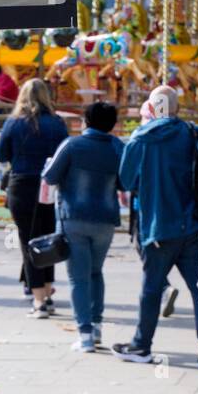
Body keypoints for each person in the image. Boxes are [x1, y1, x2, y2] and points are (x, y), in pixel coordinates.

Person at [111, 86, 198, 369]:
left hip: (158, 226)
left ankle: (142, 345)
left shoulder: (141, 138)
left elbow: (125, 180)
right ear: (176, 107)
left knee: (150, 291)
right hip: (194, 223)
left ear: (152, 107)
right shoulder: (194, 132)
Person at [41, 100, 124, 350]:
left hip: (74, 218)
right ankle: (96, 327)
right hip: (106, 220)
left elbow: (51, 176)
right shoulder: (118, 147)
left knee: (78, 278)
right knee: (96, 272)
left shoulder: (72, 145)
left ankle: (85, 334)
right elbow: (125, 182)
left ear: (85, 121)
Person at [0, 79, 69, 316]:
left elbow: (1, 154)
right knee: (47, 238)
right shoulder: (57, 124)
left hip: (21, 184)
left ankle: (38, 299)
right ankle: (47, 291)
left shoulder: (14, 123)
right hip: (47, 185)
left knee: (28, 242)